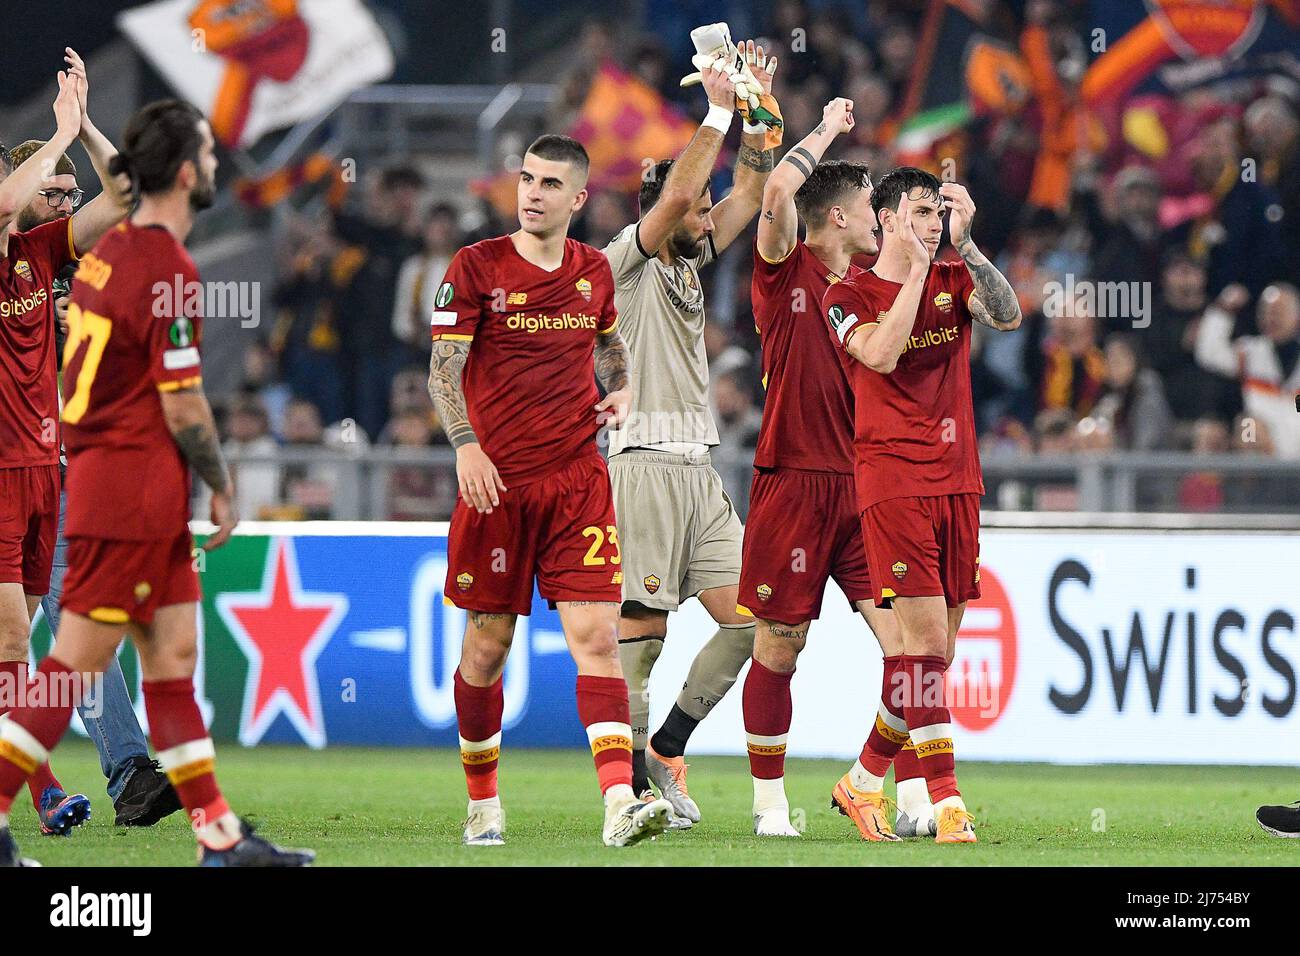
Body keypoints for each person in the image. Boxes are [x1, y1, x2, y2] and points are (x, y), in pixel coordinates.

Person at [0, 98, 314, 867]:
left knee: (169, 658)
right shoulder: (155, 265)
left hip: (91, 477)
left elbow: (120, 194)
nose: (216, 165)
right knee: (59, 664)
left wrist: (92, 132)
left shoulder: (81, 257)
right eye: (207, 153)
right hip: (105, 487)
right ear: (185, 170)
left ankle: (218, 838)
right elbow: (183, 398)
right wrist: (218, 479)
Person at [427, 132, 672, 848]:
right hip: (495, 486)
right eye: (526, 179)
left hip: (577, 481)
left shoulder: (592, 271)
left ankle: (618, 804)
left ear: (577, 198)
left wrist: (621, 388)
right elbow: (443, 370)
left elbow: (608, 340)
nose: (531, 192)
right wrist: (466, 447)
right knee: (487, 650)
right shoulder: (475, 267)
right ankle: (482, 802)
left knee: (597, 637)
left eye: (547, 184)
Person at [603, 41, 781, 827]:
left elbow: (749, 183)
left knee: (760, 619)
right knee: (639, 640)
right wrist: (711, 108)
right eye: (695, 209)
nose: (710, 220)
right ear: (666, 210)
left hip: (698, 472)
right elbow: (684, 195)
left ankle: (665, 747)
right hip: (639, 466)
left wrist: (757, 106)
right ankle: (633, 794)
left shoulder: (685, 262)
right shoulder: (624, 263)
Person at [740, 97, 926, 841]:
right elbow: (779, 193)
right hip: (792, 481)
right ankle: (768, 807)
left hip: (868, 487)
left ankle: (889, 790)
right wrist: (826, 129)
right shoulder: (783, 272)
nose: (879, 223)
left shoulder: (874, 291)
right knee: (780, 646)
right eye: (867, 212)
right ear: (840, 219)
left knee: (913, 650)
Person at [822, 167, 1023, 844]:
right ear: (884, 219)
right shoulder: (844, 294)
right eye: (919, 213)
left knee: (928, 658)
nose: (931, 224)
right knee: (927, 646)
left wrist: (966, 250)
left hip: (959, 480)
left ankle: (861, 778)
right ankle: (947, 805)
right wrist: (914, 271)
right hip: (892, 481)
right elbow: (879, 355)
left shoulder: (953, 275)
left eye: (938, 213)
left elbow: (1007, 313)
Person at [5, 53, 180, 826]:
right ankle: (51, 790)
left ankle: (126, 776)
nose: (68, 198)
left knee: (86, 623)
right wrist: (52, 137)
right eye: (54, 189)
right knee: (18, 638)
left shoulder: (57, 261)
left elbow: (127, 195)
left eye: (70, 190)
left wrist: (84, 131)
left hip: (62, 470)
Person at [1195, 283, 1300, 458]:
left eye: (1279, 311)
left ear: (1297, 317)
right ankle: (1249, 480)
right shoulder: (1251, 352)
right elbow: (1209, 354)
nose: (1271, 318)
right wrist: (1223, 310)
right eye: (1266, 312)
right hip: (1260, 448)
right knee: (1246, 426)